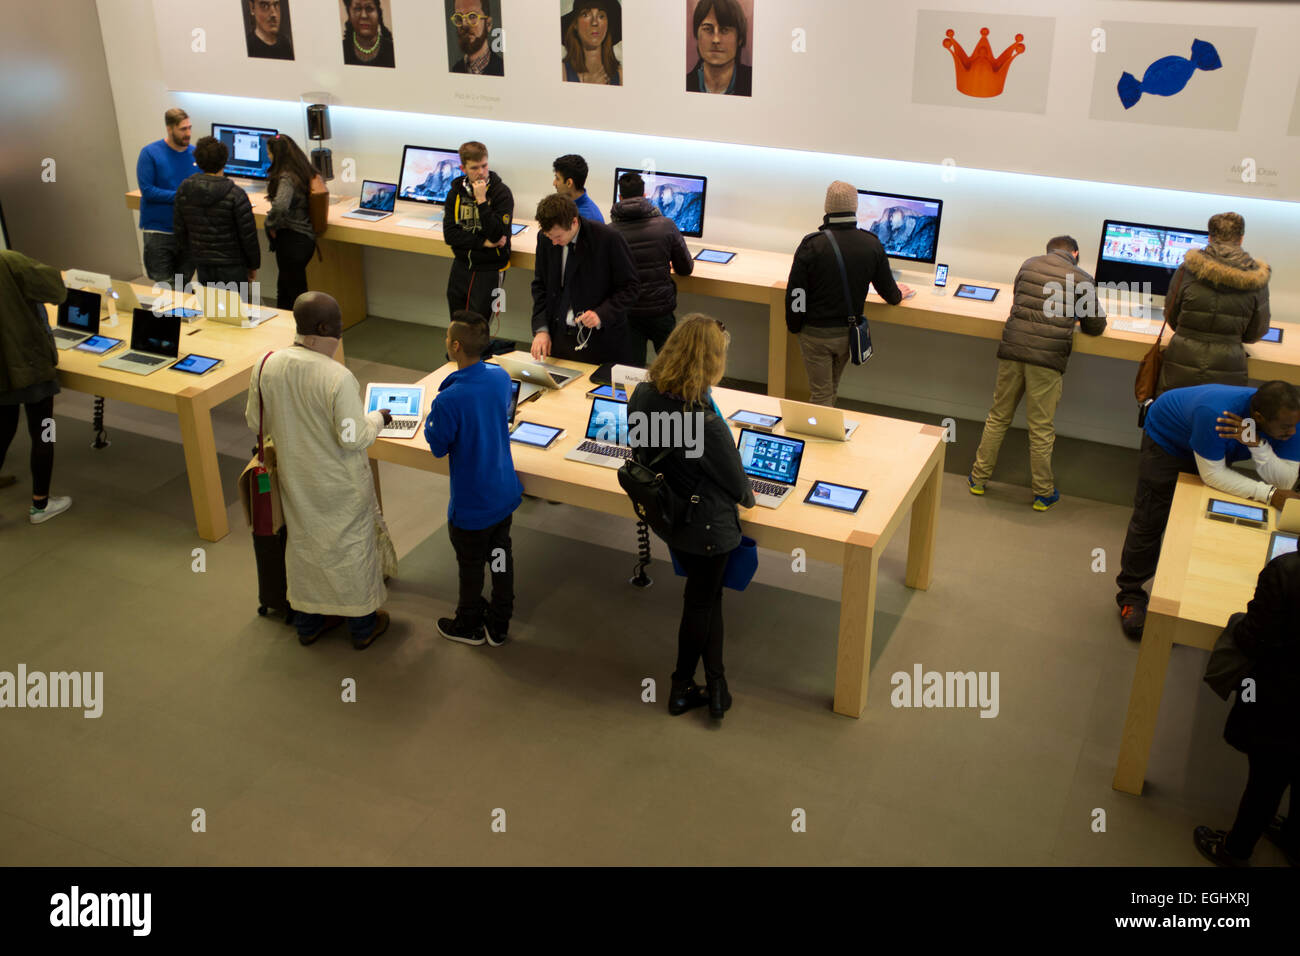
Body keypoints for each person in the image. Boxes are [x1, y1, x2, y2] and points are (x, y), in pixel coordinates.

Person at [245, 292, 392, 649]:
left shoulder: (266, 364)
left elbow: (254, 420)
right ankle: (361, 627)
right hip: (339, 482)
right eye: (339, 325)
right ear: (324, 328)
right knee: (350, 550)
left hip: (296, 479)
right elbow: (353, 438)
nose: (342, 331)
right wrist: (378, 418)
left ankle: (309, 625)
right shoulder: (337, 377)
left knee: (305, 548)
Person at [628, 315, 754, 719]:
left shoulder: (643, 396)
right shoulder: (707, 422)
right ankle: (682, 685)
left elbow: (642, 446)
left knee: (707, 597)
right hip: (708, 527)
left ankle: (717, 685)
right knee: (701, 602)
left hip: (670, 516)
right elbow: (742, 491)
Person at [1115, 381, 1300, 639]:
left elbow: (1286, 481)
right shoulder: (1216, 413)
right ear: (1258, 417)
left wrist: (1257, 443)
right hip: (1169, 442)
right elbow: (1214, 475)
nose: (1292, 432)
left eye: (1295, 425)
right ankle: (1131, 594)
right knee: (1150, 519)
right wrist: (1268, 494)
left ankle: (1177, 605)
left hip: (1211, 448)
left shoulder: (1290, 416)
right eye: (1285, 428)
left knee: (1195, 523)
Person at [968, 235, 1107, 511]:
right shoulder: (1082, 278)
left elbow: (1020, 299)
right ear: (1075, 253)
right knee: (1041, 427)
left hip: (1013, 348)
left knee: (998, 416)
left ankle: (978, 478)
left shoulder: (1029, 264)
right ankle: (1043, 493)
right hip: (1046, 356)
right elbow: (1094, 326)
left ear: (1049, 251)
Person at [1194, 549, 1300, 867]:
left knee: (1266, 778)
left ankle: (1235, 850)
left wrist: (1236, 623)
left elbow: (1253, 640)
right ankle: (1295, 840)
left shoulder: (1286, 571)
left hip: (1280, 700)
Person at [424, 311, 523, 646]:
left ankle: (467, 624)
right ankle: (499, 622)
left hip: (472, 504)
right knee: (499, 556)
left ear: (455, 346)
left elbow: (438, 446)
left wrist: (430, 420)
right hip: (503, 493)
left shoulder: (449, 399)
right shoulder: (499, 377)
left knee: (470, 566)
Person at [784, 181, 913, 407]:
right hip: (847, 334)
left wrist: (795, 326)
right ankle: (826, 431)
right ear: (855, 207)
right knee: (830, 389)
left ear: (827, 208)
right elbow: (890, 294)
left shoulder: (811, 245)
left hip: (814, 334)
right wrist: (899, 293)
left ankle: (816, 437)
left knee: (821, 394)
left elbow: (797, 293)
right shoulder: (871, 244)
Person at [1156, 212, 1270, 394]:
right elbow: (1256, 332)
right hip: (1229, 365)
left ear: (1209, 237)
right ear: (1241, 239)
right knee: (1218, 417)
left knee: (1176, 413)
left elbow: (1172, 317)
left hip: (1181, 359)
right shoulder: (1256, 278)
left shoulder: (1186, 269)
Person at [0, 250, 71, 524]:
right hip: (27, 364)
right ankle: (40, 505)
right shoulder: (9, 261)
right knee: (44, 432)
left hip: (2, 373)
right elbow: (56, 290)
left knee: (2, 432)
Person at [530, 194, 638, 365]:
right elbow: (540, 286)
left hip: (601, 342)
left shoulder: (607, 239)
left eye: (558, 237)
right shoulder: (546, 239)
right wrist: (541, 329)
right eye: (549, 236)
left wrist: (601, 314)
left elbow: (630, 288)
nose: (554, 242)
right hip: (559, 338)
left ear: (574, 222)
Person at [608, 171, 693, 364]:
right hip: (660, 310)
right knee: (673, 370)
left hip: (627, 312)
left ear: (620, 197)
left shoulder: (609, 232)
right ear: (645, 196)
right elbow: (686, 269)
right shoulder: (666, 226)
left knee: (629, 373)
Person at [173, 136, 261, 287]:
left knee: (211, 307)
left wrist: (192, 254)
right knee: (236, 309)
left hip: (202, 264)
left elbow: (180, 229)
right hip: (233, 265)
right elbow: (248, 236)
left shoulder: (184, 189)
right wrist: (253, 265)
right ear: (225, 160)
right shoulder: (236, 194)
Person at [442, 141, 514, 324]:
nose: (481, 172)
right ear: (463, 168)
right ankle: (455, 354)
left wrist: (482, 201)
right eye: (474, 168)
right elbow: (450, 235)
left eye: (484, 165)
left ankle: (479, 354)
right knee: (456, 322)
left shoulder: (501, 193)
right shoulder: (455, 193)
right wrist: (482, 242)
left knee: (478, 327)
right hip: (462, 264)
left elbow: (497, 236)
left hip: (489, 268)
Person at [136, 108, 198, 289]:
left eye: (189, 128)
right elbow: (147, 190)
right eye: (183, 129)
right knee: (165, 287)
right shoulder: (150, 153)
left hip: (187, 233)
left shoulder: (195, 154)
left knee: (182, 285)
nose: (188, 134)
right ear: (170, 129)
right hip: (159, 232)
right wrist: (182, 196)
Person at [264, 135, 317, 309]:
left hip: (292, 240)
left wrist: (270, 223)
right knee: (289, 288)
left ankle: (299, 328)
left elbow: (280, 206)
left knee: (292, 293)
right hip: (305, 239)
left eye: (269, 154)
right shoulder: (303, 171)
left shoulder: (286, 177)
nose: (268, 157)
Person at [686, 0, 752, 96]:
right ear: (697, 35)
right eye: (708, 29)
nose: (716, 40)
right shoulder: (685, 84)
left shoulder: (754, 82)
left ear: (740, 38)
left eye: (725, 30)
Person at [561, 0, 622, 85]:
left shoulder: (620, 74)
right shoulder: (562, 71)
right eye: (585, 15)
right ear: (575, 24)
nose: (594, 22)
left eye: (601, 16)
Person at [449, 0, 503, 75]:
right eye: (459, 17)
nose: (464, 24)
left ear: (488, 24)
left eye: (472, 16)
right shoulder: (455, 69)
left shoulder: (501, 69)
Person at [342, 0, 396, 67]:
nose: (364, 16)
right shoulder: (341, 50)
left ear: (379, 13)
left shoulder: (393, 51)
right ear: (349, 13)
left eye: (369, 8)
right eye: (357, 9)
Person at [552, 154, 604, 223]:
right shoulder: (565, 204)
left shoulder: (591, 220)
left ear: (569, 183)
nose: (554, 183)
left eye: (557, 179)